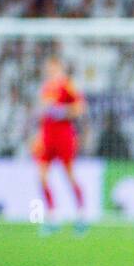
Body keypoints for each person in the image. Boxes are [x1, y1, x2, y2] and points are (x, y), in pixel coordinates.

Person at [32, 56, 87, 233]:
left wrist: (63, 112)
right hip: (47, 137)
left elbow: (80, 108)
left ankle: (81, 215)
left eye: (52, 67)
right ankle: (52, 217)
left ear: (58, 67)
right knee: (41, 177)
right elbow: (43, 114)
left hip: (64, 136)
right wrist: (39, 136)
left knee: (69, 176)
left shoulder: (67, 84)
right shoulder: (45, 88)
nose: (49, 71)